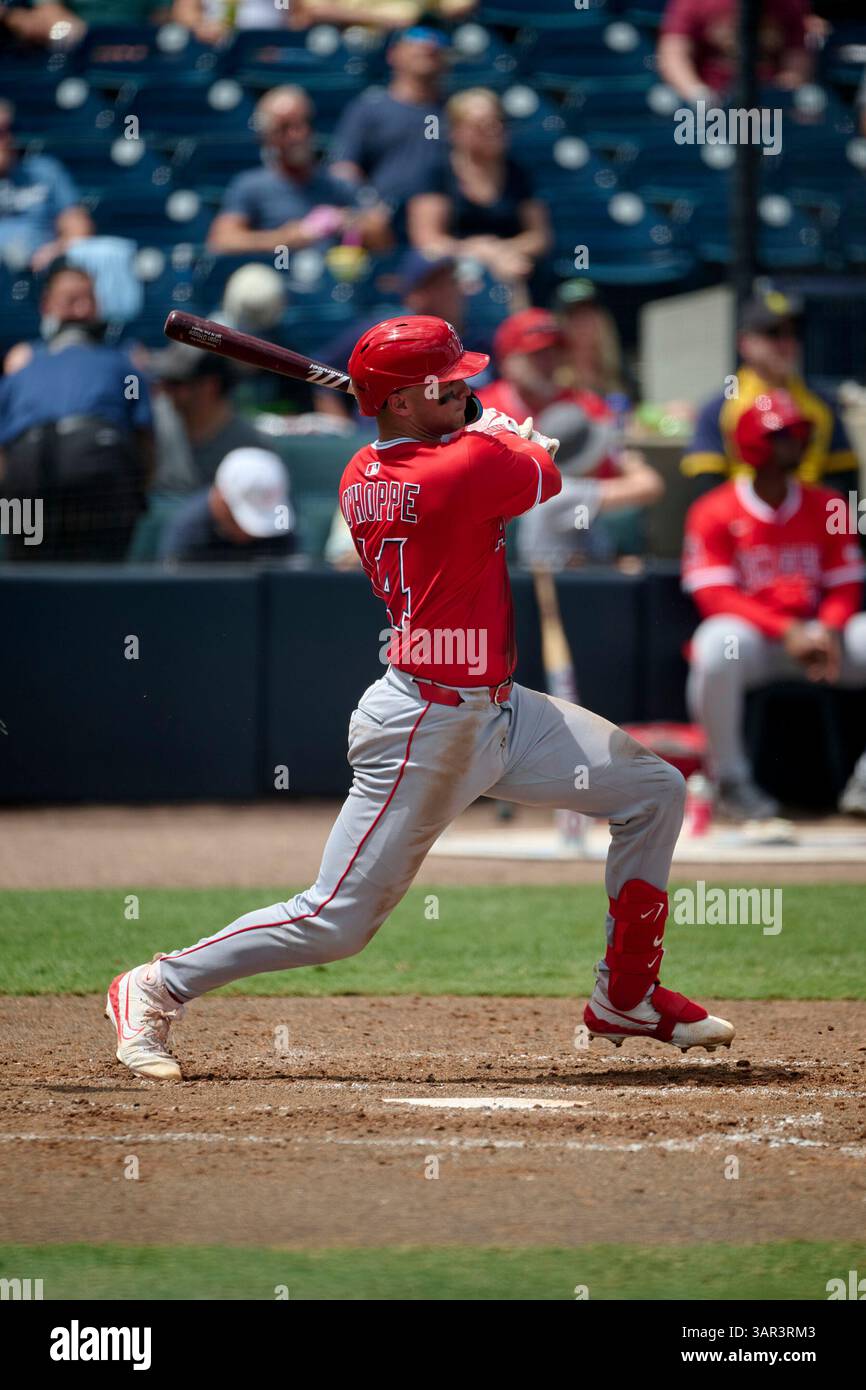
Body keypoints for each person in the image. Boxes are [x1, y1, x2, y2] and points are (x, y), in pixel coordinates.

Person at [105, 314, 734, 1082]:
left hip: (500, 712)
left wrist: (481, 430)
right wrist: (504, 436)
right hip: (425, 726)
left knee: (653, 790)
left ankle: (627, 997)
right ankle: (155, 985)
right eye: (449, 382)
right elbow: (543, 474)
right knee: (335, 922)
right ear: (401, 401)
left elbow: (486, 463)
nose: (468, 387)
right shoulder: (458, 470)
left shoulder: (365, 471)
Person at [682, 391, 866, 822]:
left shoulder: (831, 505)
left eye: (800, 434)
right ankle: (730, 781)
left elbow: (846, 584)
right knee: (715, 644)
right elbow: (715, 596)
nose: (796, 443)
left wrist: (830, 628)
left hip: (824, 643)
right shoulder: (714, 509)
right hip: (760, 646)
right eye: (784, 435)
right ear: (754, 442)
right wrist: (788, 631)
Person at [0, 263, 152, 561]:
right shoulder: (22, 363)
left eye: (88, 300)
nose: (81, 310)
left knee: (92, 579)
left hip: (92, 458)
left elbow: (144, 436)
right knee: (24, 581)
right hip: (31, 466)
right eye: (70, 300)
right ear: (47, 305)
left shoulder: (124, 361)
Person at [681, 292, 859, 497]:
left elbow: (844, 484)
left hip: (809, 522)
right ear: (744, 342)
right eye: (773, 333)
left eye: (793, 333)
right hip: (746, 523)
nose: (786, 343)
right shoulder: (719, 407)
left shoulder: (823, 403)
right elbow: (708, 491)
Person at [206, 86, 392, 258]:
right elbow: (221, 241)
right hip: (279, 277)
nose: (298, 135)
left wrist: (346, 221)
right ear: (267, 136)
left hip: (332, 283)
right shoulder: (249, 185)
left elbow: (383, 239)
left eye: (303, 123)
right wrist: (281, 239)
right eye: (285, 128)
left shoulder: (338, 184)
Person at [407, 88, 550, 295]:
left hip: (512, 265)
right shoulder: (437, 172)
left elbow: (539, 237)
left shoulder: (519, 172)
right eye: (481, 124)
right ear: (456, 132)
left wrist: (501, 252)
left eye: (499, 122)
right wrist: (478, 253)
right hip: (453, 274)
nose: (494, 129)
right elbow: (427, 240)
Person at [329, 27, 451, 222]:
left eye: (437, 40)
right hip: (385, 220)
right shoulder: (368, 108)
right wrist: (367, 205)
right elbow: (344, 169)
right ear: (393, 54)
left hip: (445, 218)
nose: (428, 45)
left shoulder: (457, 111)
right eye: (415, 38)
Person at [148, 341, 290, 486]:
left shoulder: (254, 448)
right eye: (163, 383)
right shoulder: (151, 428)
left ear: (210, 387)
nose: (165, 391)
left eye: (175, 384)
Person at [657, 0, 812, 105]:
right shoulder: (695, 2)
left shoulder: (790, 4)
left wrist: (780, 95)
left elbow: (797, 58)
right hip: (711, 102)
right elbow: (673, 54)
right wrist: (699, 95)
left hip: (768, 106)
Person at [0, 99, 93, 272]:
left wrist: (56, 251)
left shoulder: (44, 171)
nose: (7, 139)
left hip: (41, 272)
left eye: (10, 130)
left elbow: (78, 227)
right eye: (0, 132)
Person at [159, 447, 295, 564]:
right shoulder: (188, 534)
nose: (245, 533)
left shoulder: (281, 527)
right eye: (234, 518)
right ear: (220, 496)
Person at [554, 279, 627, 399]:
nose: (583, 323)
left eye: (589, 314)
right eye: (574, 315)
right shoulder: (555, 380)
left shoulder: (618, 371)